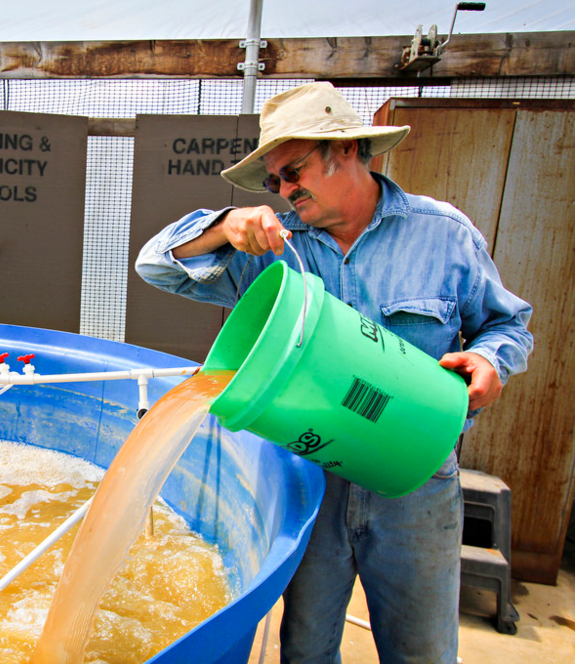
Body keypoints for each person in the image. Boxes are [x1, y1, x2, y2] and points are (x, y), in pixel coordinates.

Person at [135, 82, 533, 664]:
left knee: (422, 651)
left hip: (416, 482)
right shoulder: (272, 249)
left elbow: (508, 325)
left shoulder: (441, 235)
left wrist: (490, 360)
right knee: (307, 649)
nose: (285, 190)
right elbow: (156, 267)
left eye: (293, 171)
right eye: (273, 182)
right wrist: (225, 226)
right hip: (310, 477)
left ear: (346, 150)